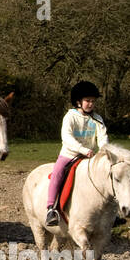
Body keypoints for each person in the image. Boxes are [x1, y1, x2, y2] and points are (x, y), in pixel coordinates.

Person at [46, 80, 109, 225]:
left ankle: (111, 211)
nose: (91, 104)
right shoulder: (70, 117)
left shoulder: (97, 119)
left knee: (108, 174)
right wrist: (83, 150)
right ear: (78, 101)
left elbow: (103, 137)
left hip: (90, 157)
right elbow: (67, 137)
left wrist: (104, 151)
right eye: (87, 100)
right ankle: (51, 209)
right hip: (70, 155)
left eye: (93, 101)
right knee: (57, 172)